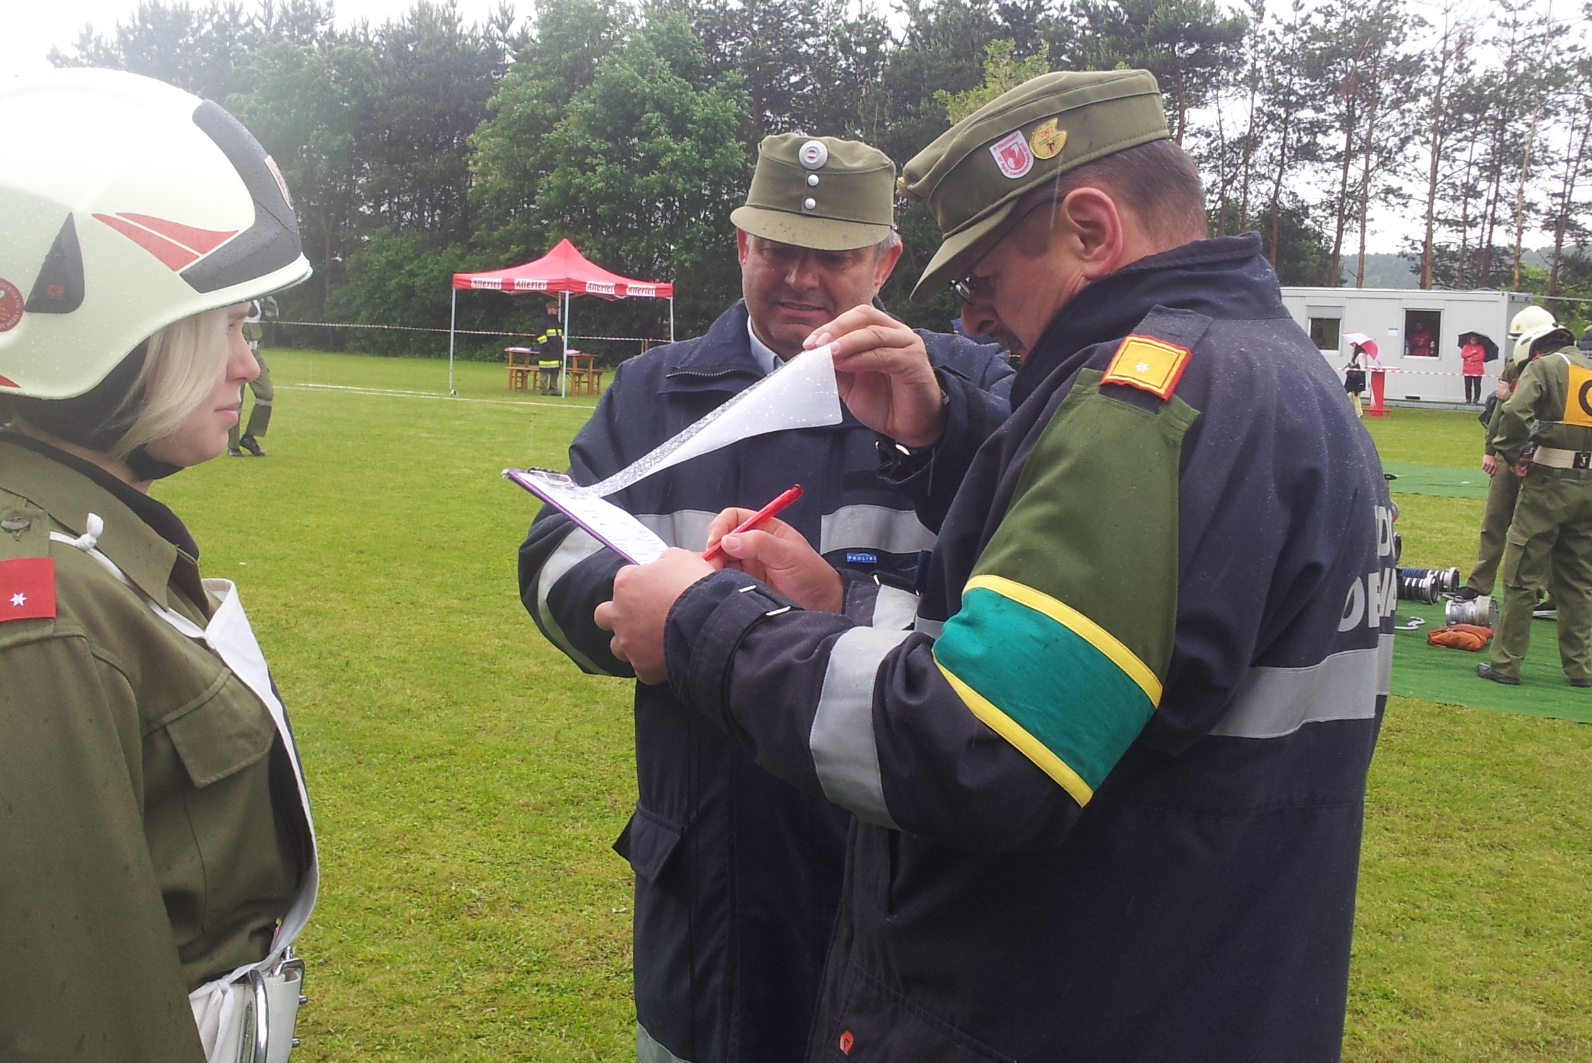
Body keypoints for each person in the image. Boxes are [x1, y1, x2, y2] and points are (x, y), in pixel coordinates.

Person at [595, 72, 1392, 1061]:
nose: (970, 321)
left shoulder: (1145, 403)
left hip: (1070, 1004)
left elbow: (981, 751)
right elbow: (1119, 691)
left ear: (1090, 230)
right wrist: (839, 607)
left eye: (980, 280)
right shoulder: (1282, 379)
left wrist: (702, 621)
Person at [517, 132, 1012, 1063]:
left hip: (900, 864)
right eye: (778, 248)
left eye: (832, 257)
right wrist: (643, 604)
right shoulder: (654, 391)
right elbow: (552, 550)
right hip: (709, 867)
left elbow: (1026, 597)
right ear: (740, 243)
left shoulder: (973, 388)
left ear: (887, 260)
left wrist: (942, 432)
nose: (799, 278)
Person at [0, 69, 320, 1062]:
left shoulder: (77, 556)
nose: (247, 364)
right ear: (120, 334)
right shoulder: (35, 623)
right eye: (231, 322)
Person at [1475, 325, 1592, 687]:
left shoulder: (1543, 368)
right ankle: (1580, 668)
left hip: (1547, 482)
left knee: (1523, 574)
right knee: (1579, 579)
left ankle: (1506, 664)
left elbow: (1513, 413)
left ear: (1534, 352)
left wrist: (1511, 455)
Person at [228, 295, 277, 456]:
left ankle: (249, 436)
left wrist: (268, 298)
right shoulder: (234, 295)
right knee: (236, 399)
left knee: (266, 393)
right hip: (234, 351)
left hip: (255, 351)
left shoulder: (260, 298)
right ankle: (233, 444)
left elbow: (272, 318)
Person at [533, 299, 565, 395]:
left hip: (556, 351)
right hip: (546, 351)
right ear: (549, 309)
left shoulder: (556, 321)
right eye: (555, 309)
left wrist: (562, 345)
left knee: (555, 370)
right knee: (545, 371)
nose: (556, 310)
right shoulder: (543, 320)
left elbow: (560, 335)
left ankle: (554, 389)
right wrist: (547, 346)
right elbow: (539, 335)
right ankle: (544, 389)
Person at [1460, 332, 1487, 403]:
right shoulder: (1465, 346)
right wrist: (1472, 352)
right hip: (1467, 370)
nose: (1473, 341)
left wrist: (1471, 359)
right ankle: (1468, 399)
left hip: (1477, 370)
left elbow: (1481, 356)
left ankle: (1476, 399)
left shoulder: (1480, 347)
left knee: (1477, 385)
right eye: (1472, 339)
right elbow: (1463, 354)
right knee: (1467, 385)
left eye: (1475, 339)